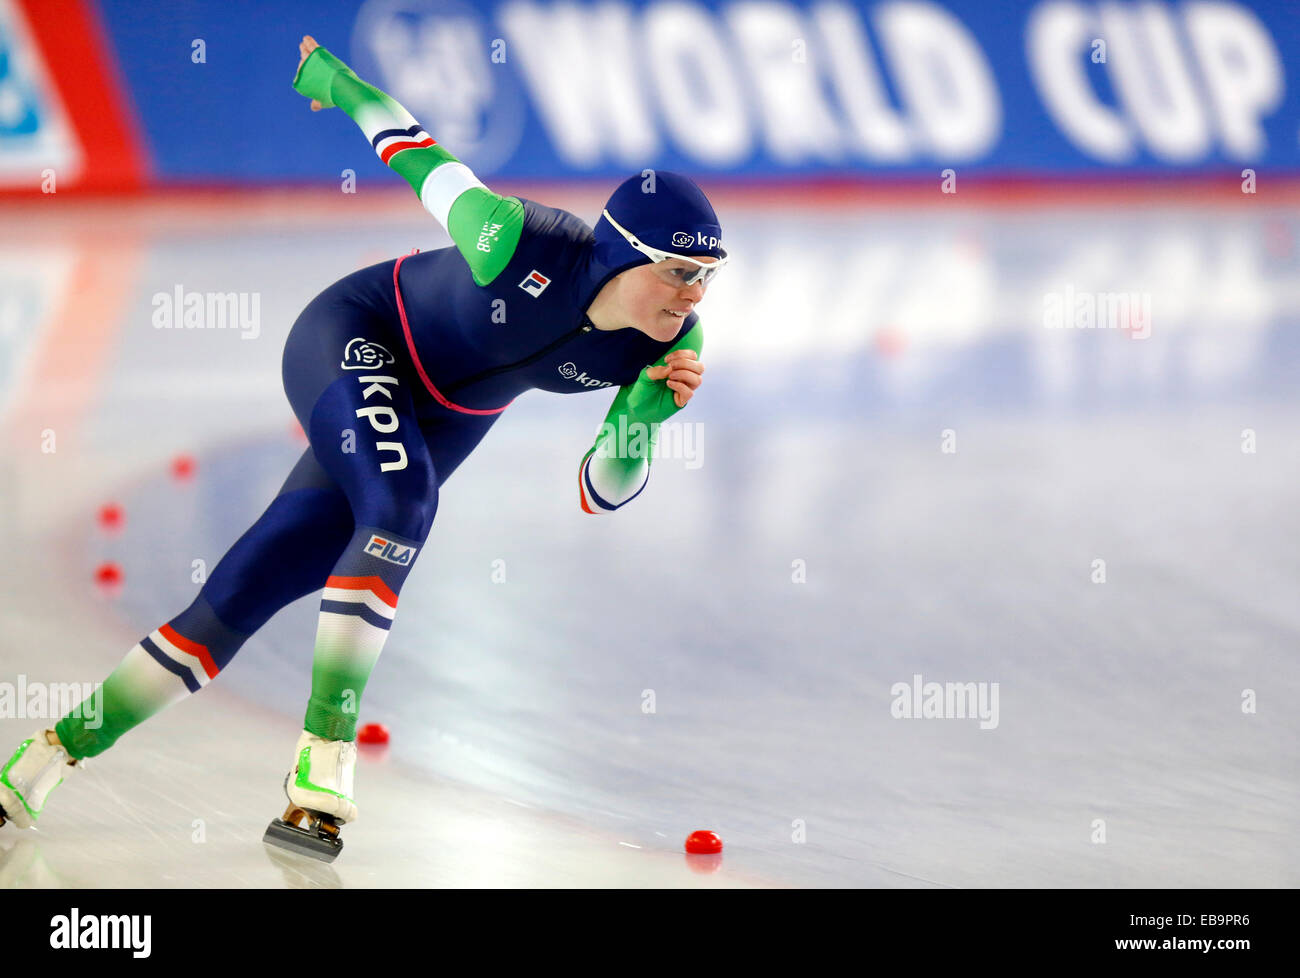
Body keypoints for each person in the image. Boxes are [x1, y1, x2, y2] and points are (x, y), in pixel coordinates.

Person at [0, 36, 727, 859]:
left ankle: (46, 756)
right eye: (677, 271)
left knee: (239, 595)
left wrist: (642, 421)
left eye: (708, 277)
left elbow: (602, 490)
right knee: (404, 503)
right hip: (354, 335)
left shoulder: (664, 350)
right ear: (624, 253)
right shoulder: (515, 238)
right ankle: (325, 760)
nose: (693, 294)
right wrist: (336, 81)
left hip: (447, 417)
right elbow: (418, 155)